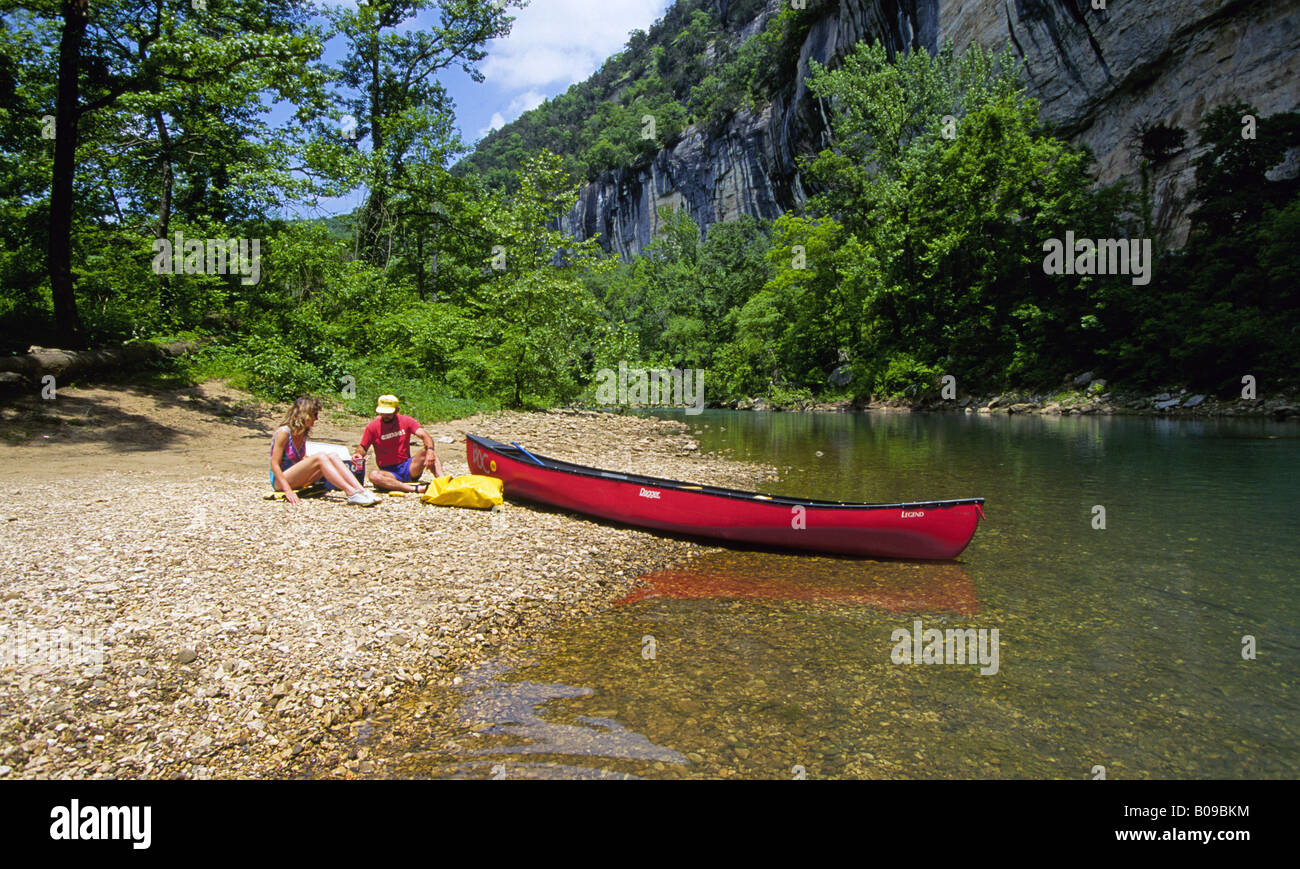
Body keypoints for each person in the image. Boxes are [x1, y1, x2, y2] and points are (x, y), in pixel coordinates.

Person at [269, 397, 379, 506]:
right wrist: (287, 490)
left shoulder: (302, 433)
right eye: (314, 414)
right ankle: (350, 493)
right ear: (305, 414)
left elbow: (299, 462)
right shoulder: (283, 433)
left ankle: (361, 490)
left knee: (333, 456)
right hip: (280, 481)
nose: (316, 419)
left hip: (294, 478)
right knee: (320, 457)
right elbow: (274, 464)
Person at [358, 394, 443, 493]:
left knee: (429, 451)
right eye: (383, 413)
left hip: (408, 467)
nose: (385, 416)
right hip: (388, 472)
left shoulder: (406, 421)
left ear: (397, 410)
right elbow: (363, 447)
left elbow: (425, 436)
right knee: (373, 475)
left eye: (388, 413)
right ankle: (413, 489)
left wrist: (430, 451)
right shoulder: (372, 427)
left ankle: (442, 481)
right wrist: (358, 454)